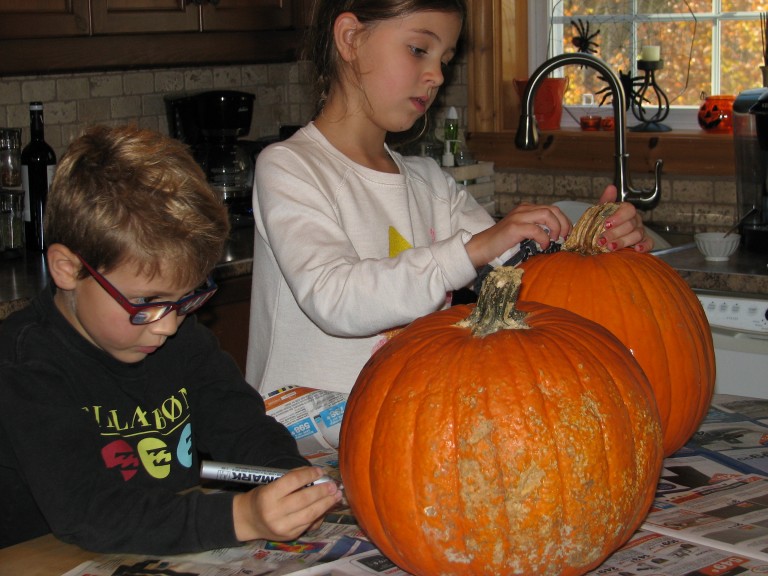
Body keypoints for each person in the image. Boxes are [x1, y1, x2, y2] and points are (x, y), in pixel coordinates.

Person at [246, 0, 652, 401]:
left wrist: (591, 245)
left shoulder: (430, 184)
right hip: (295, 449)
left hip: (402, 431)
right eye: (419, 49)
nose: (437, 75)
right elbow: (334, 298)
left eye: (445, 58)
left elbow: (517, 268)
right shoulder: (289, 169)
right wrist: (473, 250)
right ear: (351, 38)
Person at [0, 125, 342, 553]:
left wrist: (285, 475)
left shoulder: (177, 337)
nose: (168, 325)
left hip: (158, 543)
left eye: (186, 300)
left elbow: (240, 422)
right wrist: (244, 517)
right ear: (68, 269)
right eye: (147, 302)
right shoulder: (24, 366)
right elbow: (90, 512)